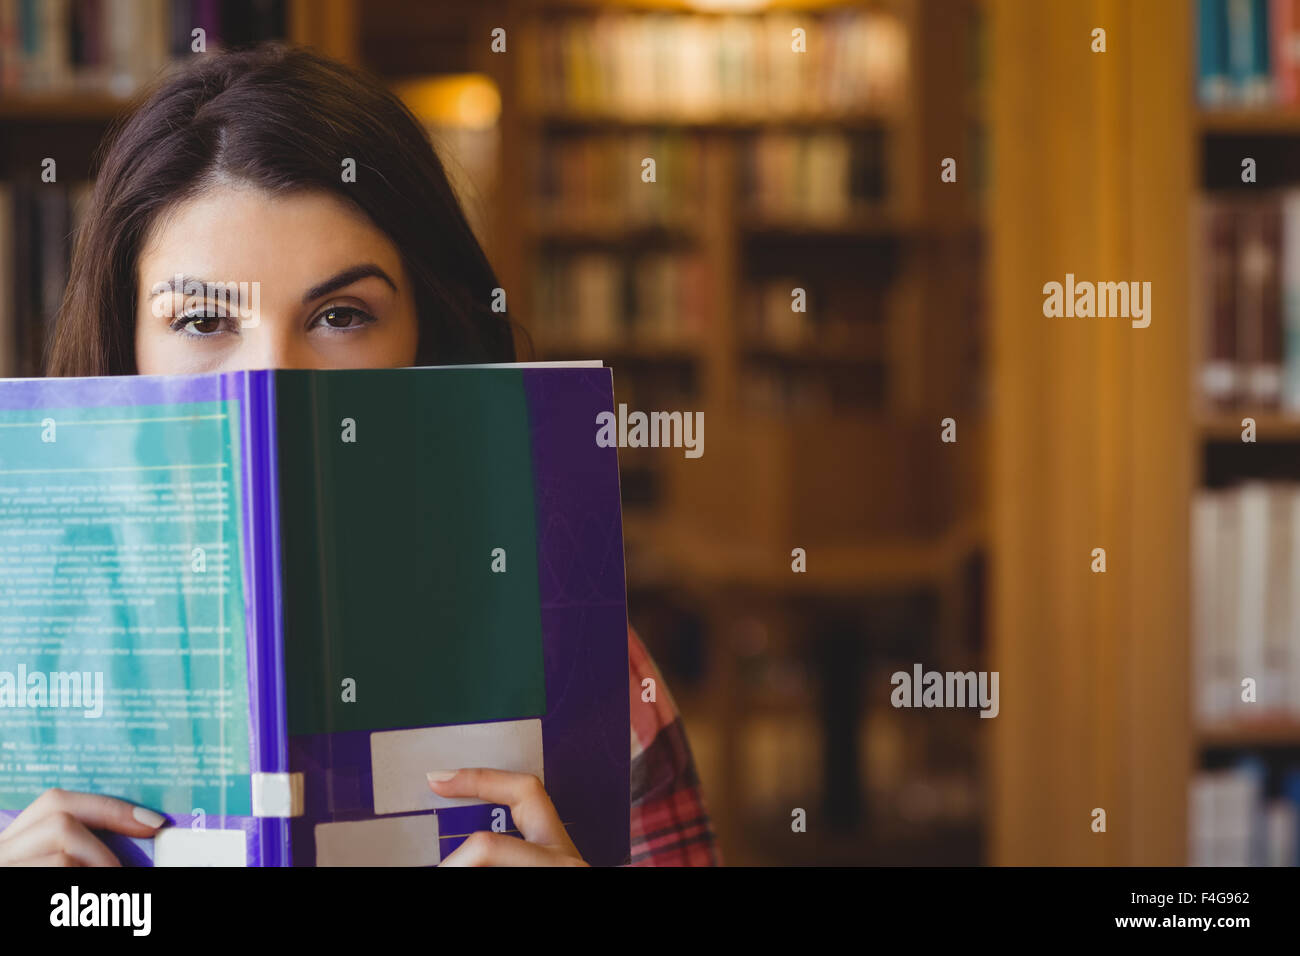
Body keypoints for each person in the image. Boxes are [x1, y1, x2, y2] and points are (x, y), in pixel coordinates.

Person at [0, 44, 718, 867]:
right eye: (202, 322)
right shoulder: (22, 650)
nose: (273, 384)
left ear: (427, 335)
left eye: (342, 315)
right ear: (124, 347)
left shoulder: (580, 655)